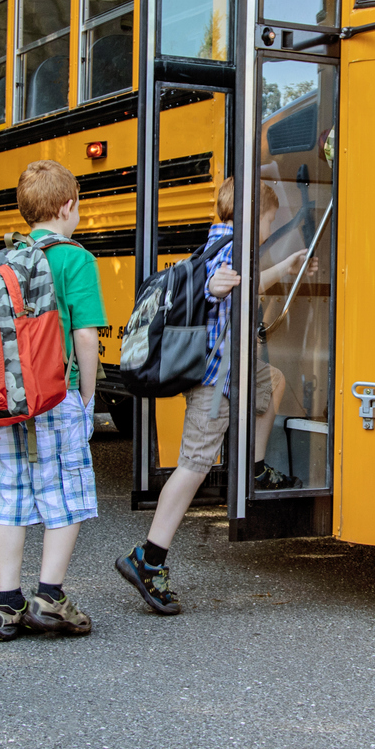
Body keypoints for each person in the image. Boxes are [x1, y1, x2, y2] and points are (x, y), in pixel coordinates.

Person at [116, 176, 303, 614]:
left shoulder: (217, 244)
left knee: (270, 380)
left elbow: (243, 284)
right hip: (215, 382)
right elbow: (217, 285)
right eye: (269, 218)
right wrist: (217, 287)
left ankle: (254, 468)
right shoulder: (229, 252)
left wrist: (283, 269)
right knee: (193, 465)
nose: (269, 226)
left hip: (233, 371)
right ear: (253, 214)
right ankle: (149, 558)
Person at [0, 160, 108, 641]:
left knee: (9, 497)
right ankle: (49, 596)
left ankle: (6, 605)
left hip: (7, 399)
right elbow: (87, 336)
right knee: (65, 496)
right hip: (56, 395)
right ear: (68, 206)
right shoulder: (76, 259)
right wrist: (88, 398)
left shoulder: (4, 259)